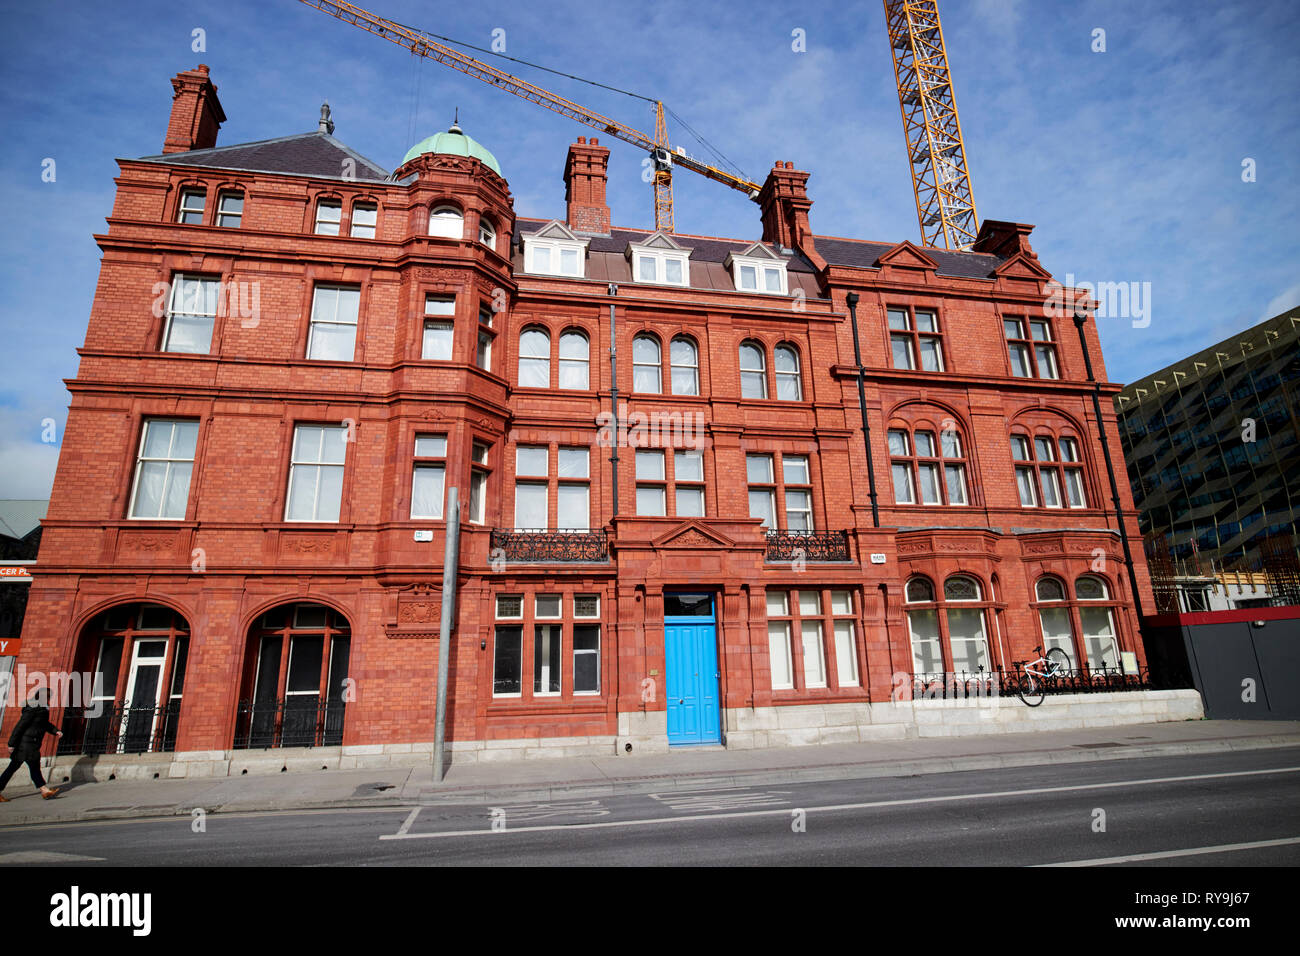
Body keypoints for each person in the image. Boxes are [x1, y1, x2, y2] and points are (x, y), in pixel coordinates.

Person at [0, 688, 63, 801]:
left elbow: (44, 724)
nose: (49, 699)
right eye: (48, 697)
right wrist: (11, 744)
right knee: (33, 767)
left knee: (15, 768)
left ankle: (44, 790)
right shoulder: (34, 708)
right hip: (27, 744)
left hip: (30, 743)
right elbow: (20, 725)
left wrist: (55, 731)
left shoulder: (41, 708)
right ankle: (44, 790)